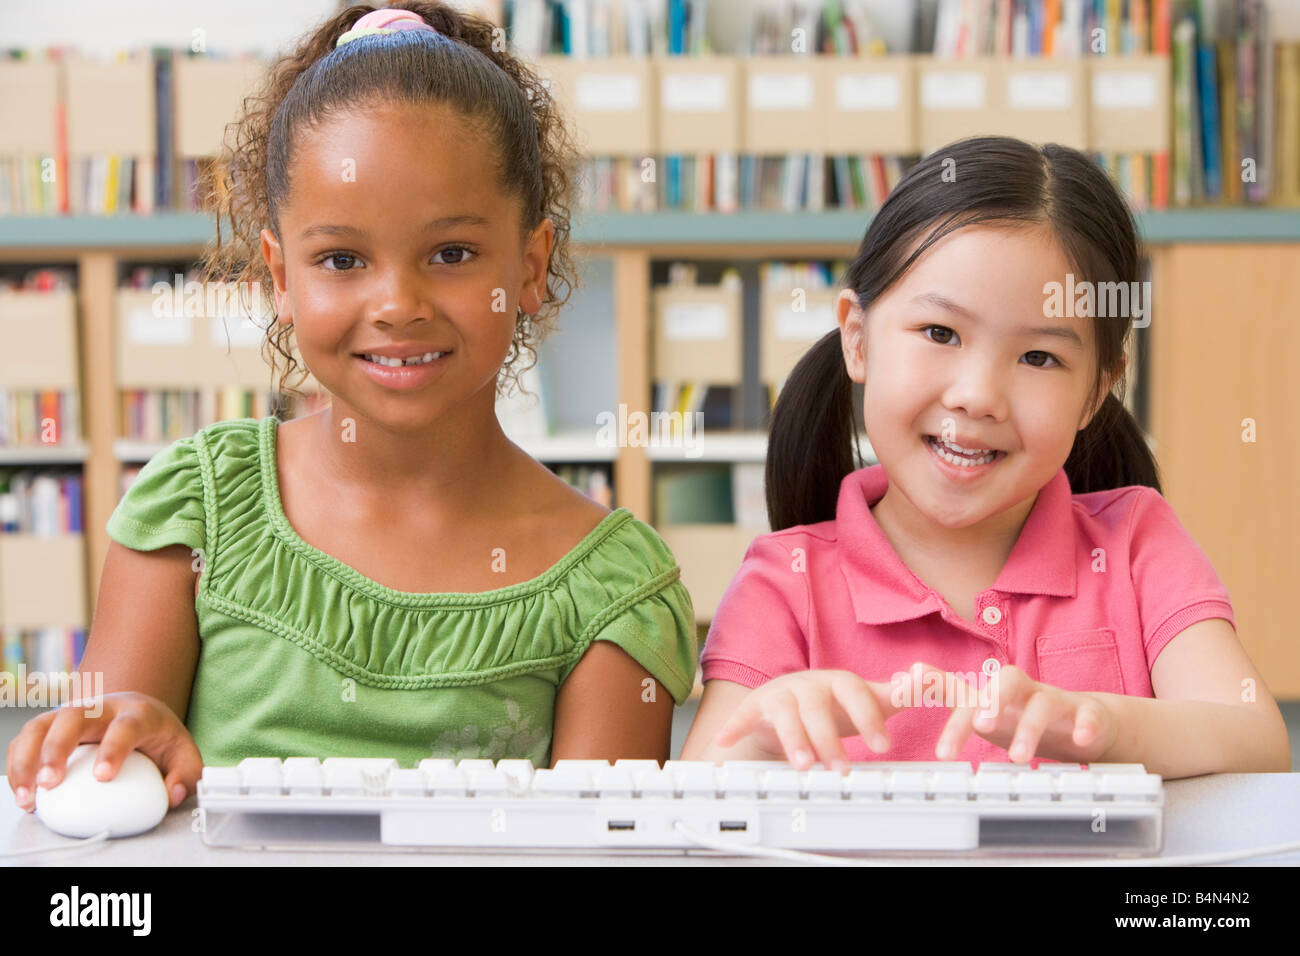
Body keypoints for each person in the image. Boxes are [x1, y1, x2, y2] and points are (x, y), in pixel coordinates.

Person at [8, 3, 697, 814]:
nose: (397, 303)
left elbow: (593, 855)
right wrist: (128, 749)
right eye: (341, 258)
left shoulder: (613, 591)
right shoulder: (196, 511)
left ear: (533, 264)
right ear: (281, 277)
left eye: (452, 254)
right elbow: (110, 787)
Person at [682, 136, 1289, 780]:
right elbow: (693, 796)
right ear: (857, 341)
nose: (977, 397)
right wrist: (764, 735)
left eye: (1039, 357)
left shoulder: (1137, 542)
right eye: (940, 333)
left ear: (1095, 392)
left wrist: (1105, 726)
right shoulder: (784, 581)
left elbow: (1256, 738)